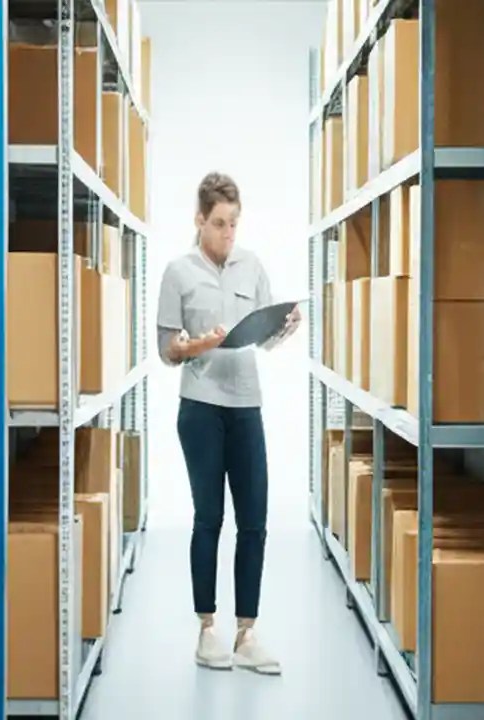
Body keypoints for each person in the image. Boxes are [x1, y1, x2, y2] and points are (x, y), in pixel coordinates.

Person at [156, 172, 302, 675]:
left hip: (246, 407)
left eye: (234, 223)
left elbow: (261, 340)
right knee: (208, 519)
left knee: (255, 522)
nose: (228, 233)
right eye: (219, 223)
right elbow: (165, 350)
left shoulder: (252, 266)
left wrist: (282, 330)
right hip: (199, 408)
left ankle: (247, 632)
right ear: (199, 220)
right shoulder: (178, 272)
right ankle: (207, 629)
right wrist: (194, 346)